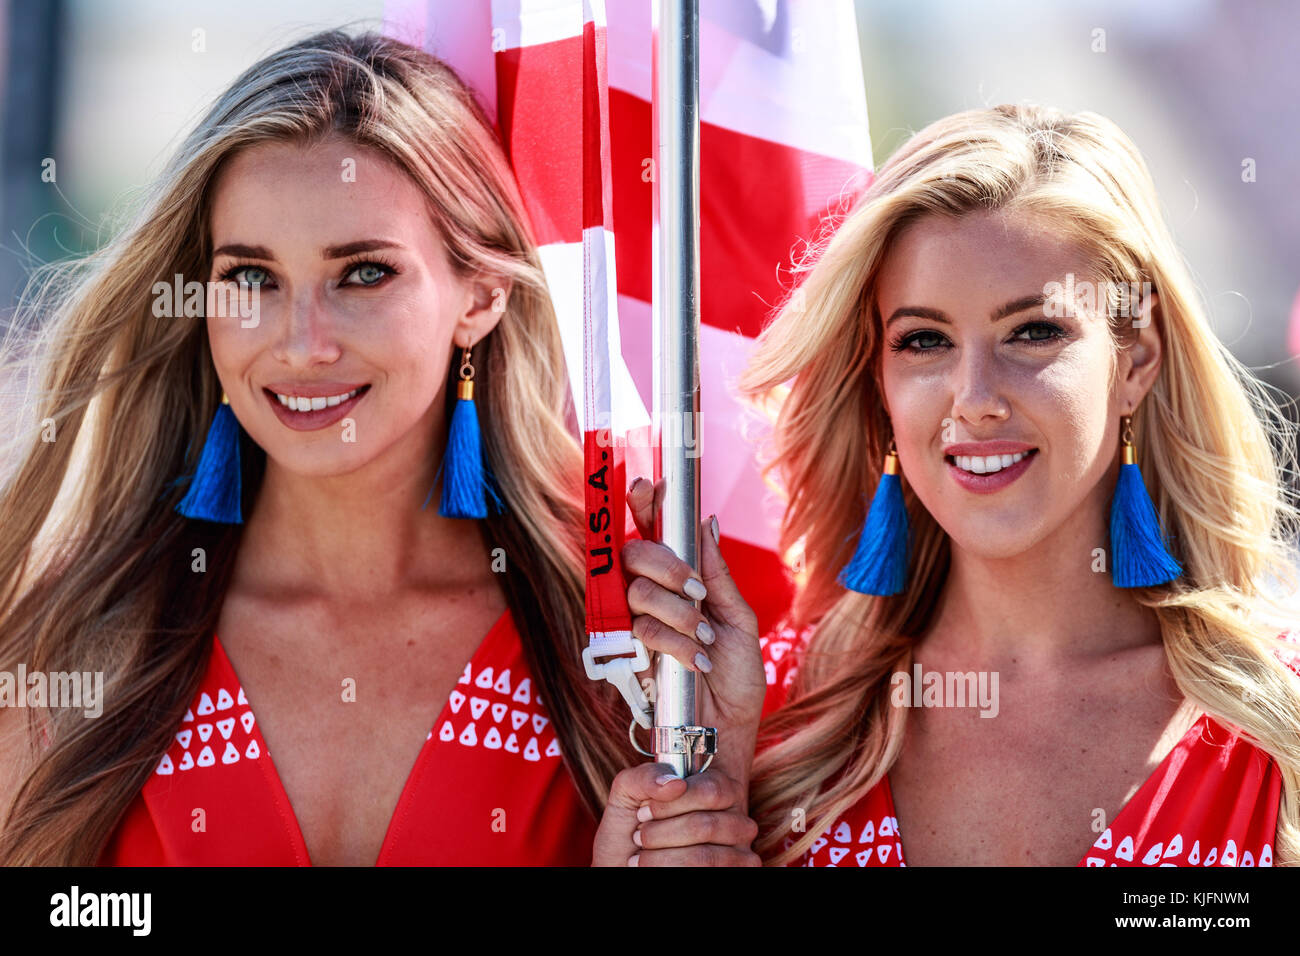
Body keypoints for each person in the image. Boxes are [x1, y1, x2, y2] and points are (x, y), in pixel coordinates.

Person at [0, 28, 745, 866]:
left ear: (482, 293)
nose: (301, 343)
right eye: (251, 278)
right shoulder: (75, 640)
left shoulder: (625, 654)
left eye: (362, 274)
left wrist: (726, 762)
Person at [622, 103, 1300, 866]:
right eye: (923, 341)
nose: (974, 396)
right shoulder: (768, 712)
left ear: (1135, 361)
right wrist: (709, 792)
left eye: (1034, 331)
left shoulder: (1280, 728)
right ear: (879, 382)